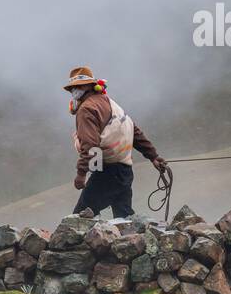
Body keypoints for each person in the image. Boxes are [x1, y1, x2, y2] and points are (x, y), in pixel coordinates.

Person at [64, 66, 167, 218]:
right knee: (124, 219)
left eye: (79, 86)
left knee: (79, 220)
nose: (75, 91)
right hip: (124, 171)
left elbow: (91, 146)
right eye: (73, 88)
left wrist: (81, 174)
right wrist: (153, 156)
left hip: (108, 172)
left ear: (89, 86)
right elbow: (133, 131)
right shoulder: (108, 102)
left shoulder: (87, 109)